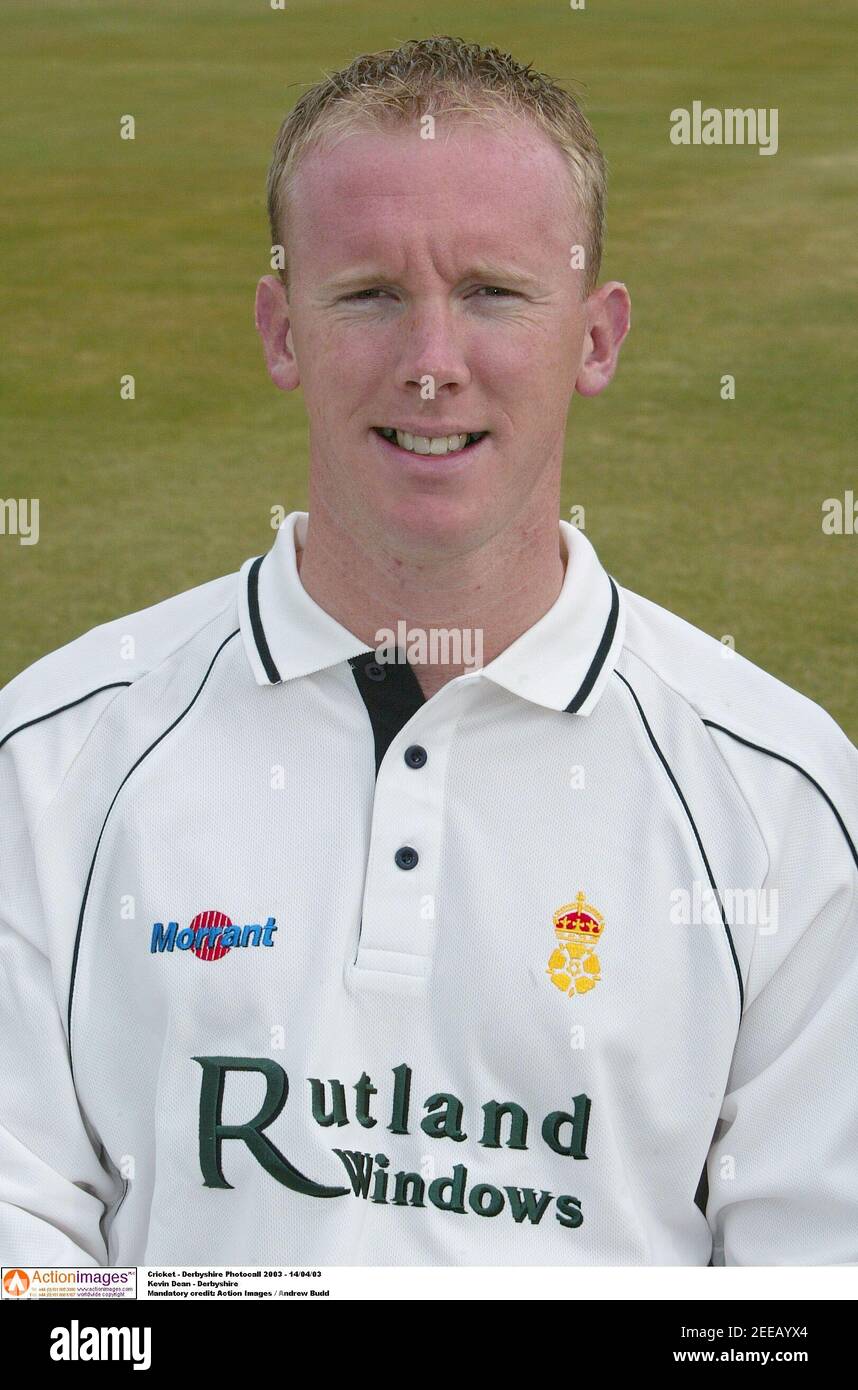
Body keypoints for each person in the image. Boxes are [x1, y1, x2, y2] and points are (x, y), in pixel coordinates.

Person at [1, 36, 855, 1268]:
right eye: (369, 295)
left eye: (495, 293)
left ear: (598, 337)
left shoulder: (783, 805)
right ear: (281, 330)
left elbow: (805, 1294)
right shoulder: (56, 756)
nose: (433, 363)